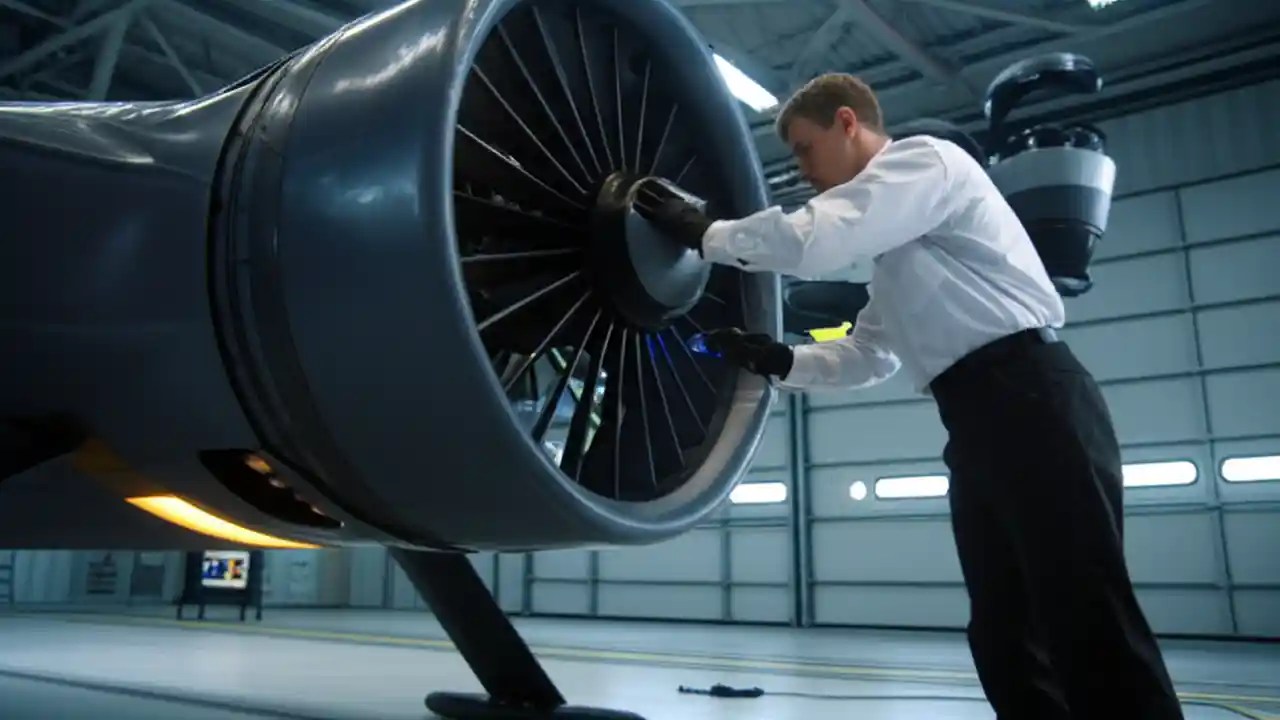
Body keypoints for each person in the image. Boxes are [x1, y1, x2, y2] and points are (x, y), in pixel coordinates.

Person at [637, 73, 1185, 720]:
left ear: (848, 122)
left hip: (1032, 397)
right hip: (979, 418)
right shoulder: (898, 259)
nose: (804, 171)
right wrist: (780, 359)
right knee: (1006, 633)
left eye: (806, 150)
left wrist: (705, 232)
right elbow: (868, 355)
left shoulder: (927, 161)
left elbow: (817, 239)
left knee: (1084, 610)